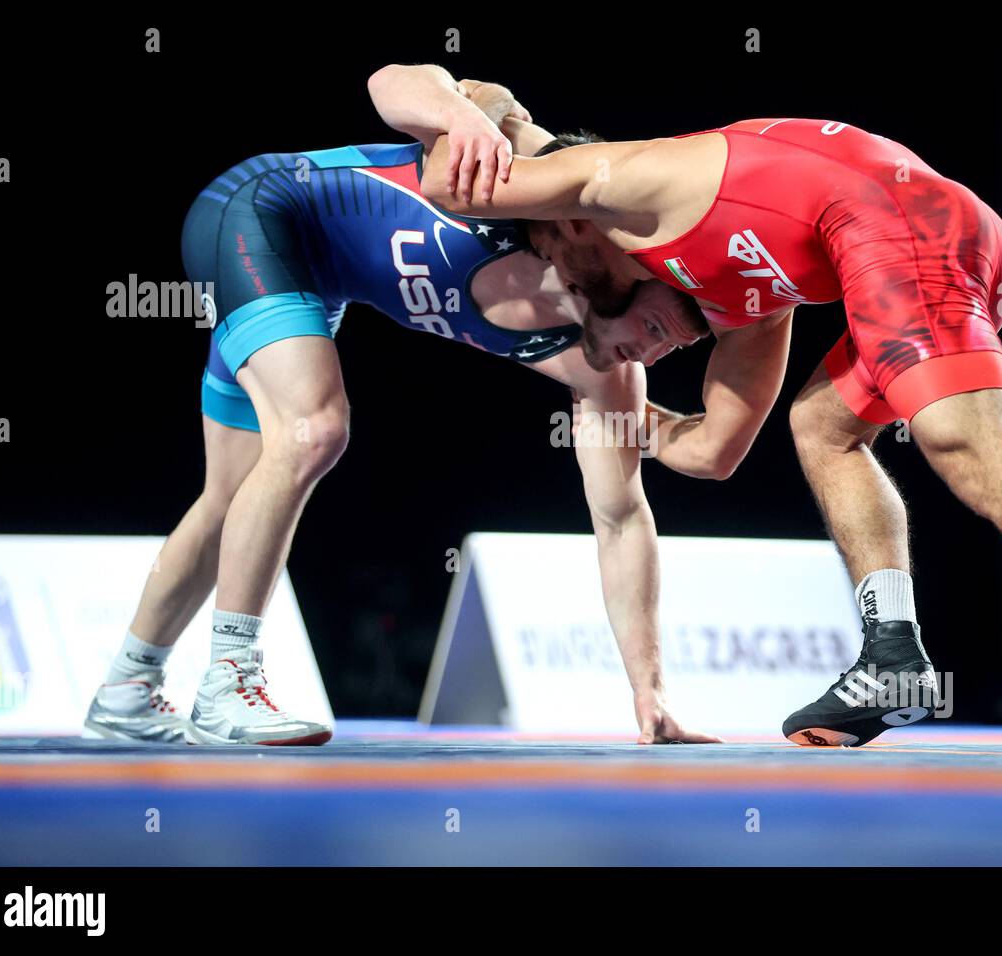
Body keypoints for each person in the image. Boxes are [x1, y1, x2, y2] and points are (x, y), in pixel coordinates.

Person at [420, 116, 1002, 755]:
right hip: (914, 243)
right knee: (821, 427)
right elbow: (712, 451)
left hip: (905, 229)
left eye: (548, 247)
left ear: (566, 221)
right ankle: (893, 659)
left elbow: (441, 168)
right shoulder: (745, 303)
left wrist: (460, 106)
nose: (554, 271)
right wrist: (616, 403)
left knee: (974, 453)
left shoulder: (617, 178)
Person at [84, 65, 718, 746]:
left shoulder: (603, 373)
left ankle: (126, 688)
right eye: (653, 332)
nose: (649, 358)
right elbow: (392, 80)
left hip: (308, 287)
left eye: (668, 350)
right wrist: (464, 114)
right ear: (589, 236)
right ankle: (228, 685)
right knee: (315, 428)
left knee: (233, 496)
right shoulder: (514, 172)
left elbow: (621, 520)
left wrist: (648, 693)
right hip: (260, 209)